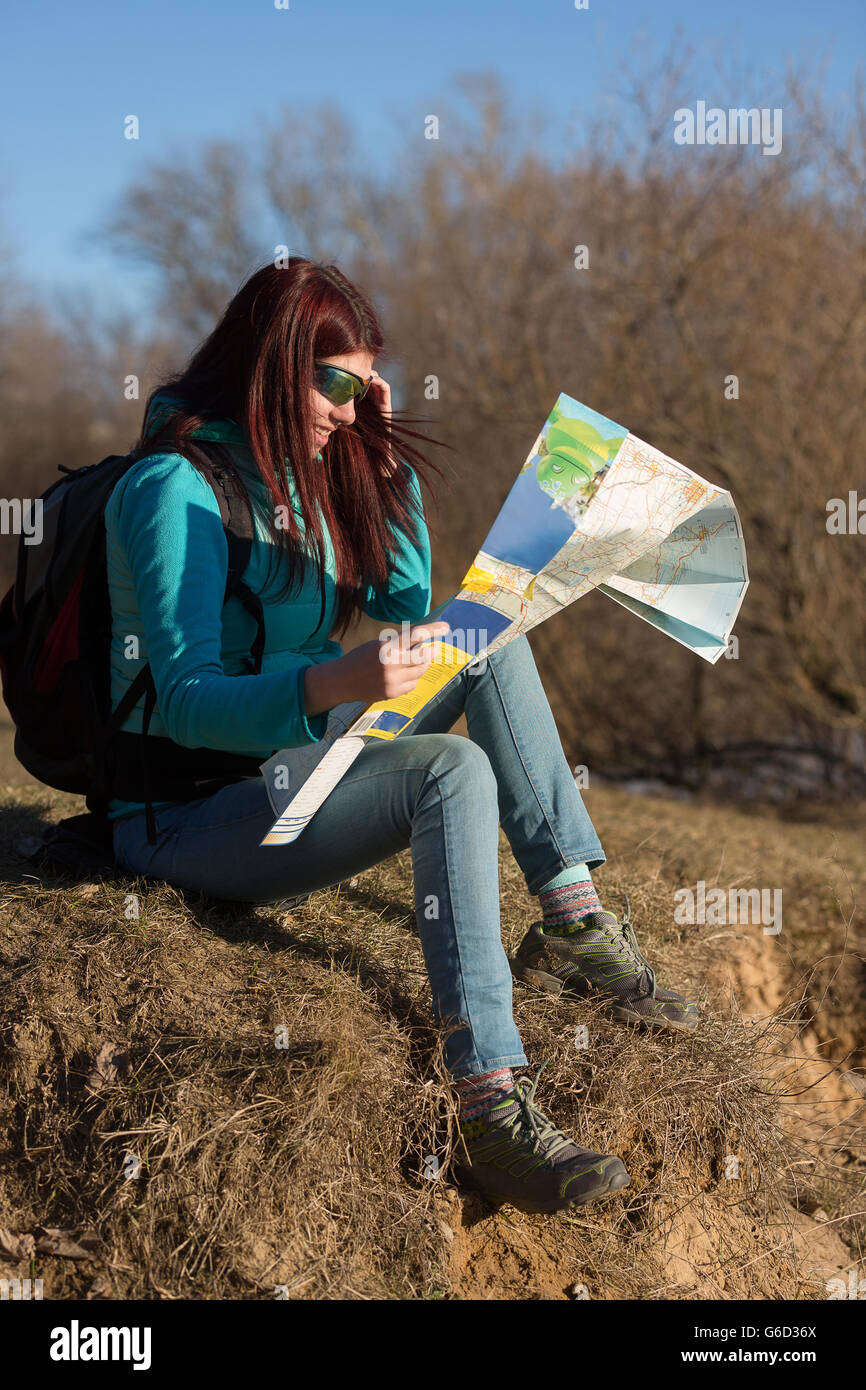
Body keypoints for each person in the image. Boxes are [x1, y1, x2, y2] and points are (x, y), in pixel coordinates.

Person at [106, 257, 698, 1217]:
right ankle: (489, 1104)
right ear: (270, 362)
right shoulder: (175, 488)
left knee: (484, 635)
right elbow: (183, 702)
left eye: (362, 387)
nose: (346, 406)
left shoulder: (304, 473)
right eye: (332, 382)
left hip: (286, 771)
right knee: (448, 774)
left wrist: (379, 465)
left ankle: (573, 917)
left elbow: (406, 601)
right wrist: (331, 681)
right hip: (184, 813)